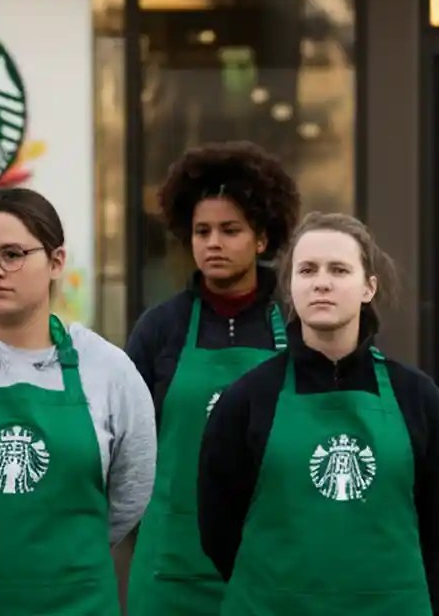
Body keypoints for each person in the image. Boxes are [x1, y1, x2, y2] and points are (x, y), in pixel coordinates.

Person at [198, 212, 439, 615]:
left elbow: (438, 532)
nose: (322, 281)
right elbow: (218, 527)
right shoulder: (246, 400)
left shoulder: (420, 400)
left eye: (339, 269)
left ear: (368, 288)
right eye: (307, 270)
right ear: (290, 287)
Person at [0, 187, 156, 614]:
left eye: (13, 254)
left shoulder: (108, 369)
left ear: (56, 261)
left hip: (75, 602)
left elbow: (132, 492)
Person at [125, 141, 301, 616]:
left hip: (275, 562)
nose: (213, 243)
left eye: (230, 230)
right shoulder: (159, 329)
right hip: (171, 568)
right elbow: (122, 443)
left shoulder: (298, 322)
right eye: (202, 231)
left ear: (262, 238)